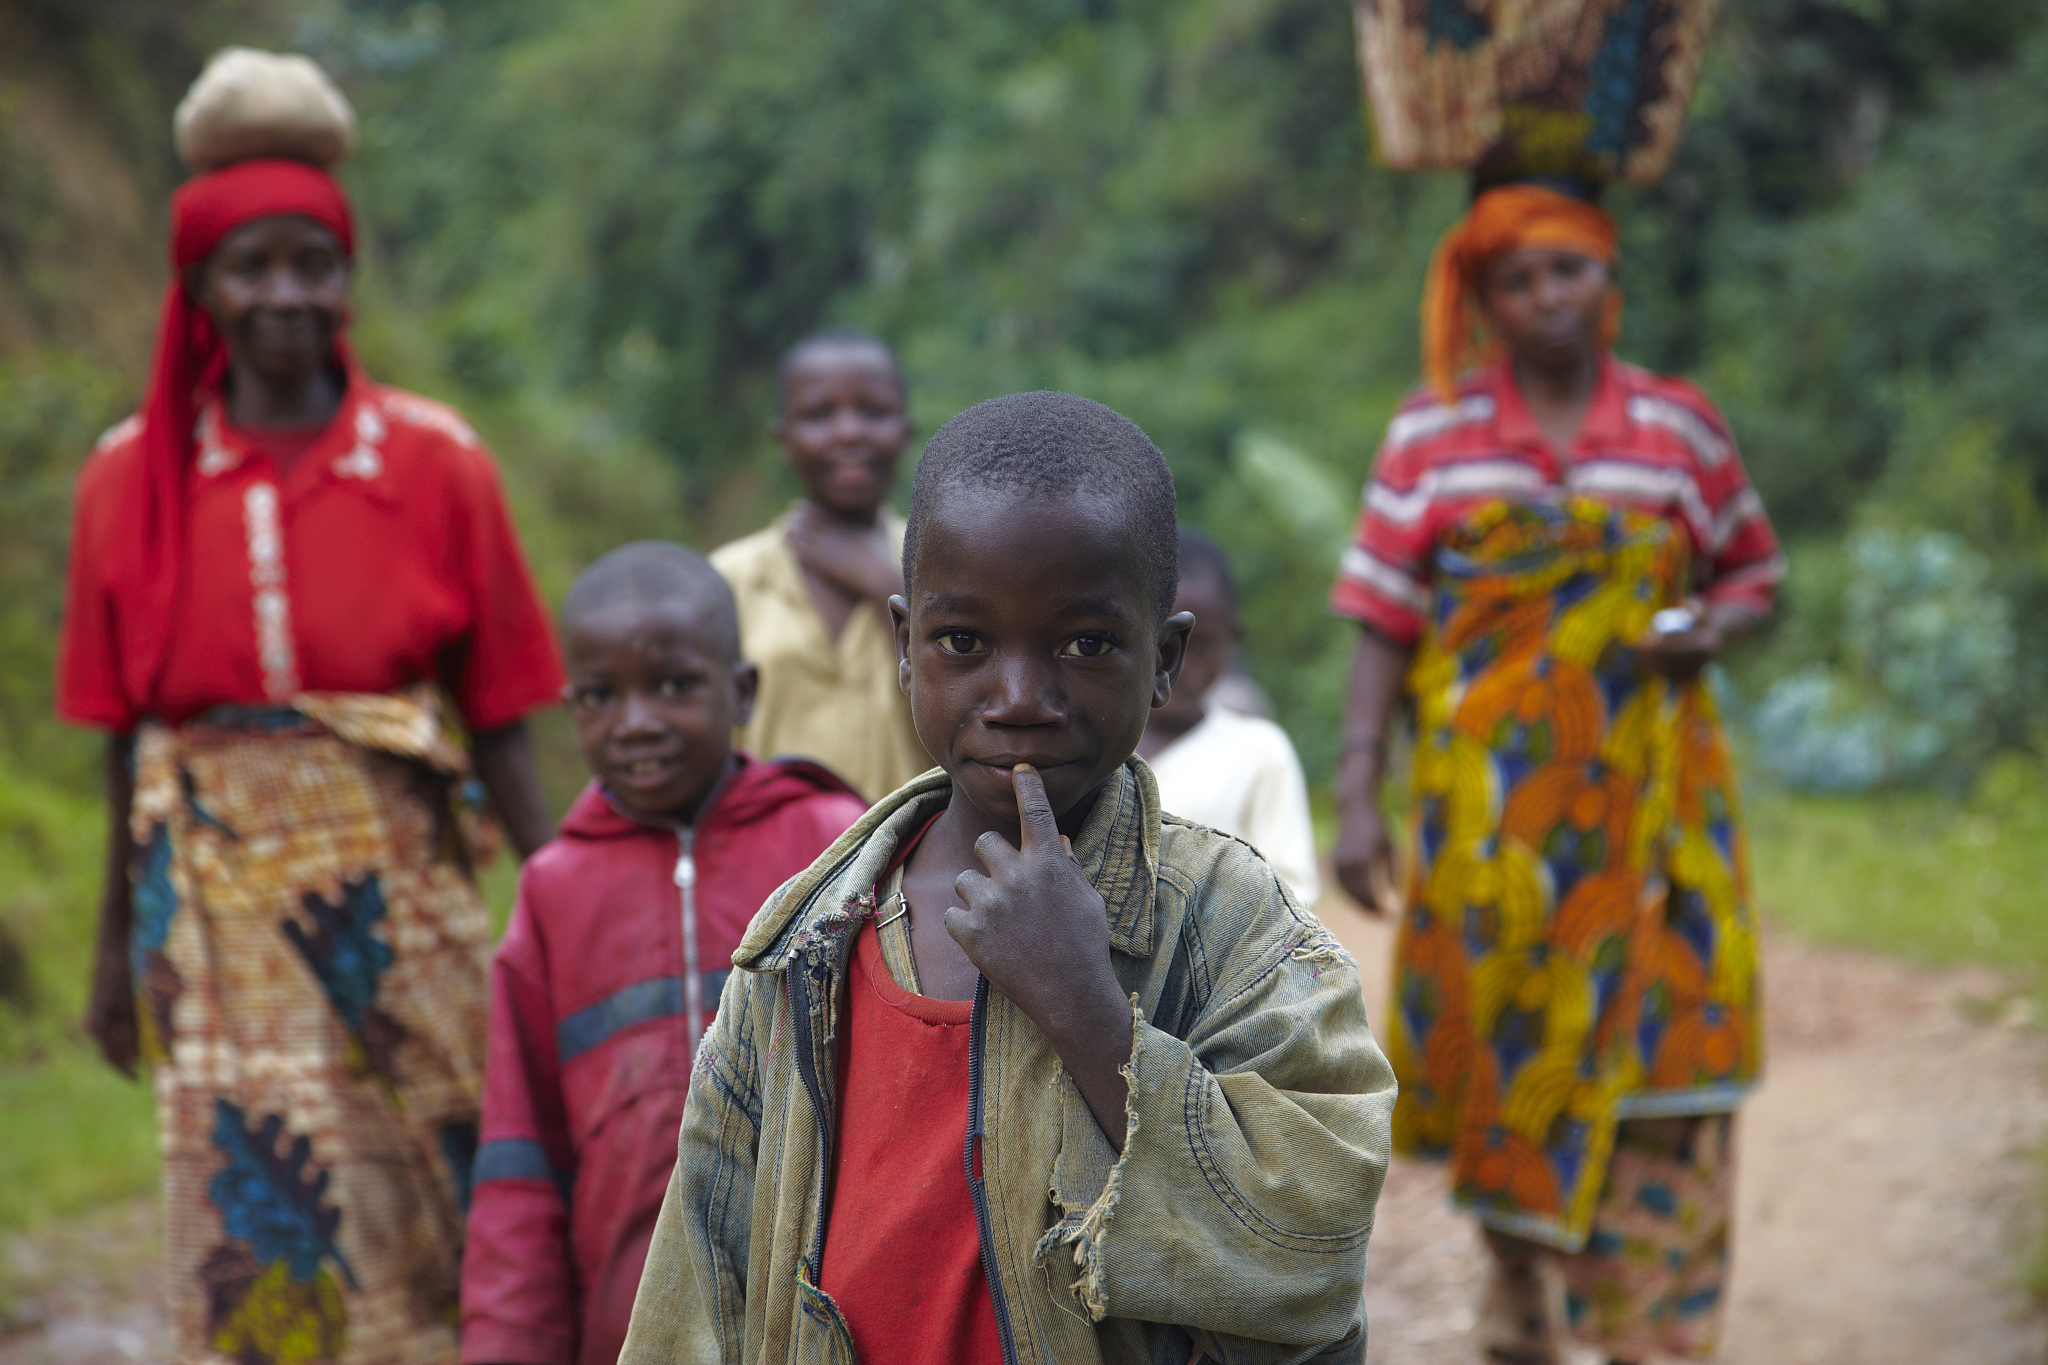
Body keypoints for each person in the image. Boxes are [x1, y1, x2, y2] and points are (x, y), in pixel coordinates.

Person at [619, 392, 1396, 1364]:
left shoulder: (1233, 928)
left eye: (1084, 644)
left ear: (1165, 660)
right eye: (963, 643)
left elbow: (1309, 1260)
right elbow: (703, 1281)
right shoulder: (804, 943)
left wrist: (1087, 1011)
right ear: (903, 645)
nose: (1019, 697)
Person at [57, 49, 564, 1365]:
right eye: (253, 266)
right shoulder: (128, 478)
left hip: (395, 881)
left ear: (348, 278)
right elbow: (121, 735)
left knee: (443, 1160)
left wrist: (572, 909)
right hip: (205, 893)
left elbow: (502, 713)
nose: (286, 295)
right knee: (257, 1180)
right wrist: (114, 954)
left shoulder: (437, 459)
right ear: (202, 289)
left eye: (312, 264)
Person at [1328, 180, 1785, 1365]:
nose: (1545, 300)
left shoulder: (1677, 428)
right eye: (1516, 280)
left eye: (1565, 271)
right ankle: (1522, 1321)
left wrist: (1705, 628)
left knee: (1664, 1059)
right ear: (1481, 302)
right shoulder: (1427, 437)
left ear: (1606, 277)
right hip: (1496, 833)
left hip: (1657, 819)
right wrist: (1357, 791)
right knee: (1510, 1060)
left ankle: (1654, 1340)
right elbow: (1382, 617)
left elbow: (1750, 572)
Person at [459, 543, 865, 1365]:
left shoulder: (832, 843)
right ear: (572, 709)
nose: (637, 721)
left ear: (742, 691)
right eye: (603, 697)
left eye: (674, 685)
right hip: (626, 1329)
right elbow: (520, 1147)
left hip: (822, 1318)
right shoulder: (553, 890)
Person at [710, 328, 930, 800]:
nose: (848, 432)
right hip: (773, 868)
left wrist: (885, 583)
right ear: (783, 438)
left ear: (906, 431)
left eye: (873, 412)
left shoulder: (948, 568)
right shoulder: (727, 581)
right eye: (817, 415)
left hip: (918, 863)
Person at [1136, 527, 1320, 905]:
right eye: (1160, 645)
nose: (1176, 665)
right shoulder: (1088, 748)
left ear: (1232, 639)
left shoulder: (1260, 753)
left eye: (1199, 645)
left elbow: (1293, 897)